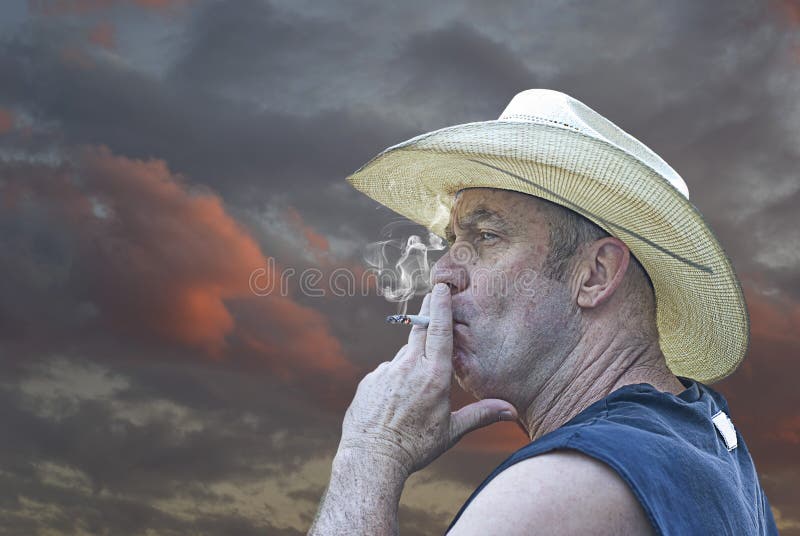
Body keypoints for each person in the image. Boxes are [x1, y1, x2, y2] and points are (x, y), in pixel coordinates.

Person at [308, 89, 779, 535]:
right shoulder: (707, 436)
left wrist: (371, 453)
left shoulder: (564, 487)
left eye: (486, 237)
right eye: (453, 242)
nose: (444, 273)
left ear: (595, 275)